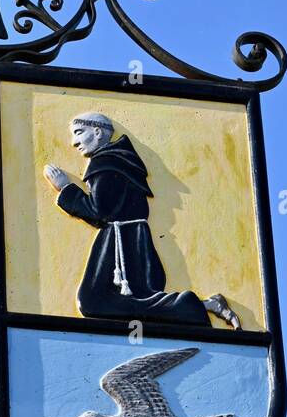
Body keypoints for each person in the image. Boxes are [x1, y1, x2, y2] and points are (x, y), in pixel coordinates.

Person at [44, 112, 240, 328]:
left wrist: (65, 188)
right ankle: (203, 306)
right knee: (128, 299)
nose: (74, 142)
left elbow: (99, 212)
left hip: (121, 245)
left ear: (97, 132)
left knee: (94, 301)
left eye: (79, 133)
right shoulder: (119, 158)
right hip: (132, 240)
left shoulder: (105, 163)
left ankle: (191, 305)